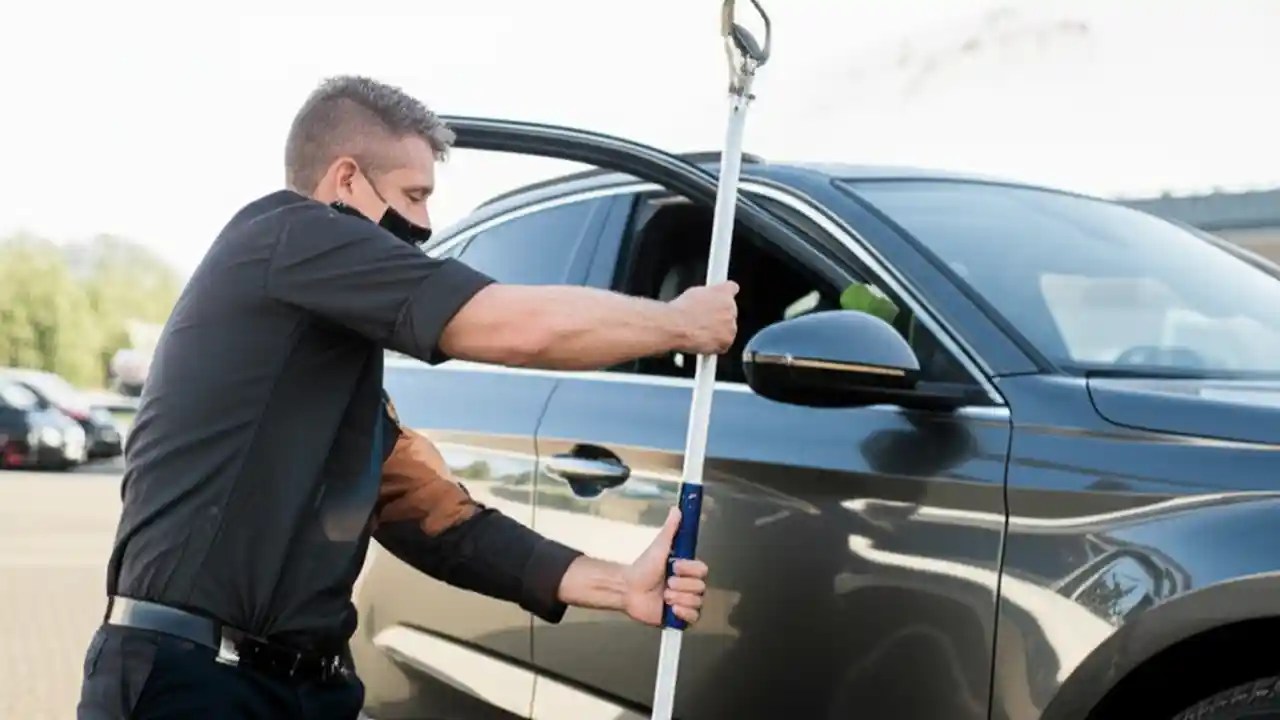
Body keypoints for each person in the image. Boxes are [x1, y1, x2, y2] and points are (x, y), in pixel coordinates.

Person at [76, 75, 738, 720]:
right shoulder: (286, 234)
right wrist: (680, 324)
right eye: (413, 195)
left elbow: (438, 520)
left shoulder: (329, 370)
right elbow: (507, 327)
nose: (425, 224)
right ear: (344, 181)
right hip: (193, 685)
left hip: (306, 688)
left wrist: (618, 583)